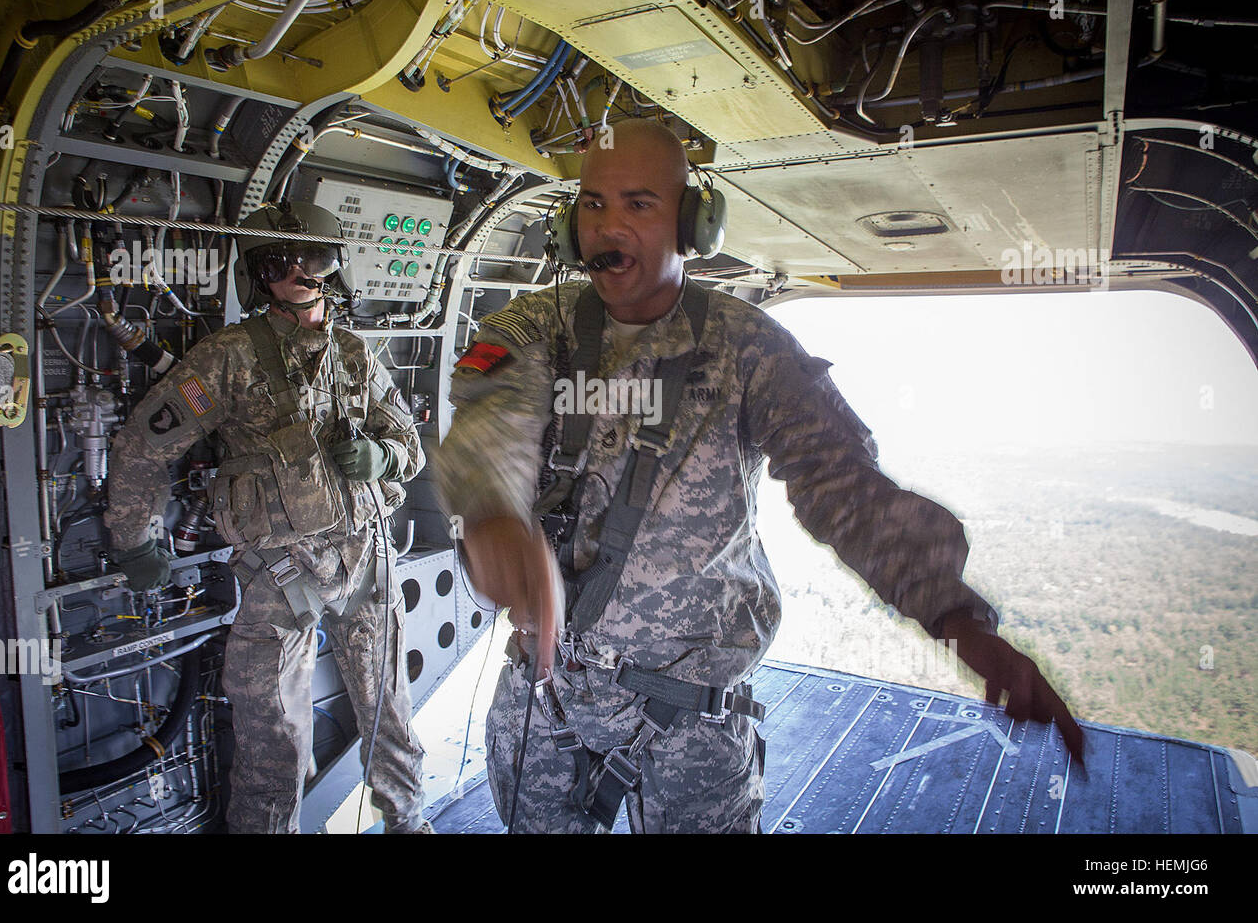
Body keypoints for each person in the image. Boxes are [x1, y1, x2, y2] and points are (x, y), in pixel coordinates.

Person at [434, 118, 1084, 834]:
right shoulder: (529, 329)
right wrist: (495, 520)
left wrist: (956, 618)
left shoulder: (749, 348)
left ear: (691, 221)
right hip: (546, 698)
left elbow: (839, 483)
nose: (608, 227)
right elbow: (489, 431)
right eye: (592, 204)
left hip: (688, 719)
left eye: (639, 204)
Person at [104, 202, 429, 833]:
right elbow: (146, 443)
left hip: (364, 559)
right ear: (260, 276)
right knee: (270, 743)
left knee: (391, 715)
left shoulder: (357, 356)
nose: (298, 274)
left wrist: (382, 454)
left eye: (314, 258)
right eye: (279, 262)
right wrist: (134, 540)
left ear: (333, 267)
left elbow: (410, 451)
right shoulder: (227, 359)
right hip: (278, 574)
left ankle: (409, 823)